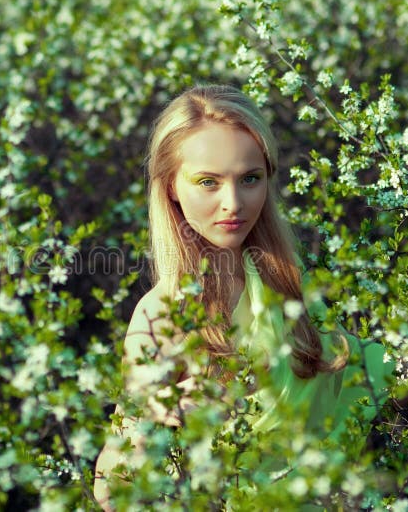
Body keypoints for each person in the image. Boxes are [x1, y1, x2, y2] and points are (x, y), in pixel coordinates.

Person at [93, 85, 392, 510]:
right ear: (171, 187)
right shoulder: (162, 314)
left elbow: (363, 371)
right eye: (208, 182)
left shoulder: (287, 281)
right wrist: (153, 415)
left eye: (250, 179)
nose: (233, 203)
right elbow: (111, 488)